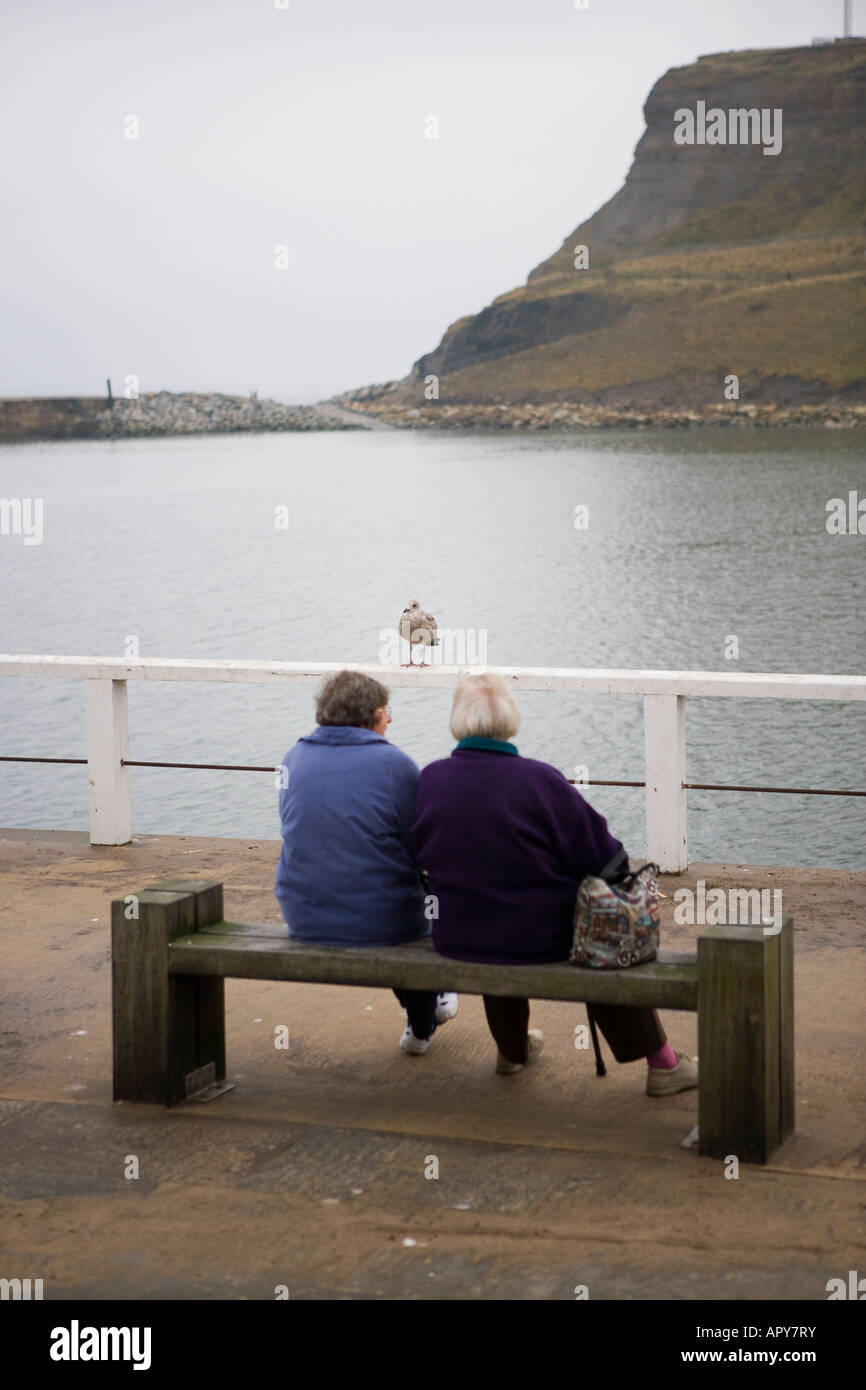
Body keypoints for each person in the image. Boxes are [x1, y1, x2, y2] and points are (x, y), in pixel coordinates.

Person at [413, 673, 697, 1093]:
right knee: (599, 933)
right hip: (538, 939)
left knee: (492, 912)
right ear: (511, 721)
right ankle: (664, 1064)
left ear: (458, 721)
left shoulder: (430, 780)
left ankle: (512, 1051)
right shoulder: (539, 781)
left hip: (457, 934)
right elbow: (608, 858)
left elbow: (416, 854)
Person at [274, 668, 457, 1054]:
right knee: (424, 899)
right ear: (373, 715)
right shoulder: (396, 766)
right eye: (387, 710)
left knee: (378, 883)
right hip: (379, 921)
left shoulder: (292, 757)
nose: (391, 719)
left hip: (303, 914)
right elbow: (421, 847)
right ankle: (423, 1020)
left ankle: (427, 1007)